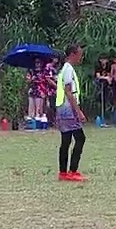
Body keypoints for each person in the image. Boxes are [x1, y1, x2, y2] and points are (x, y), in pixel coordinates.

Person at [55, 43, 87, 181]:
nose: (80, 58)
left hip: (63, 108)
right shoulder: (68, 69)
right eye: (79, 55)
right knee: (80, 138)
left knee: (66, 140)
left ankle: (63, 172)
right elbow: (68, 91)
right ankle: (72, 170)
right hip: (68, 109)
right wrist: (78, 111)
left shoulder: (65, 69)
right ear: (73, 54)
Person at [26, 57, 48, 128]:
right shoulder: (31, 71)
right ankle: (31, 124)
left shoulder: (44, 71)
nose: (37, 64)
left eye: (39, 62)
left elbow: (47, 80)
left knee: (39, 109)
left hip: (40, 90)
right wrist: (31, 79)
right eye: (36, 62)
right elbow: (28, 80)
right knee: (31, 108)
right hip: (32, 90)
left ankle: (38, 124)